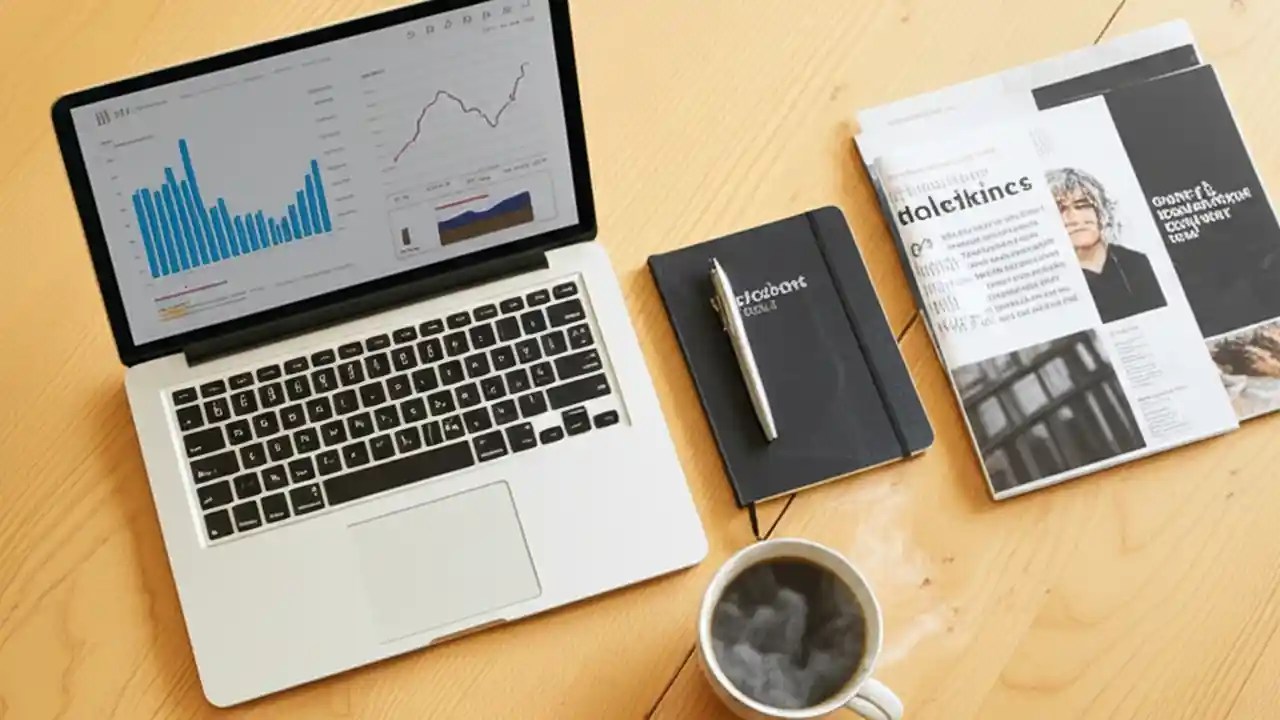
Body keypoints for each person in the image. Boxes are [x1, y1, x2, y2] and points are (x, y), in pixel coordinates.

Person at [1047, 167, 1166, 323]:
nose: (1074, 218)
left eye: (1082, 205)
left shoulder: (1137, 263)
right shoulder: (1054, 283)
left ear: (1102, 210)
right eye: (1060, 209)